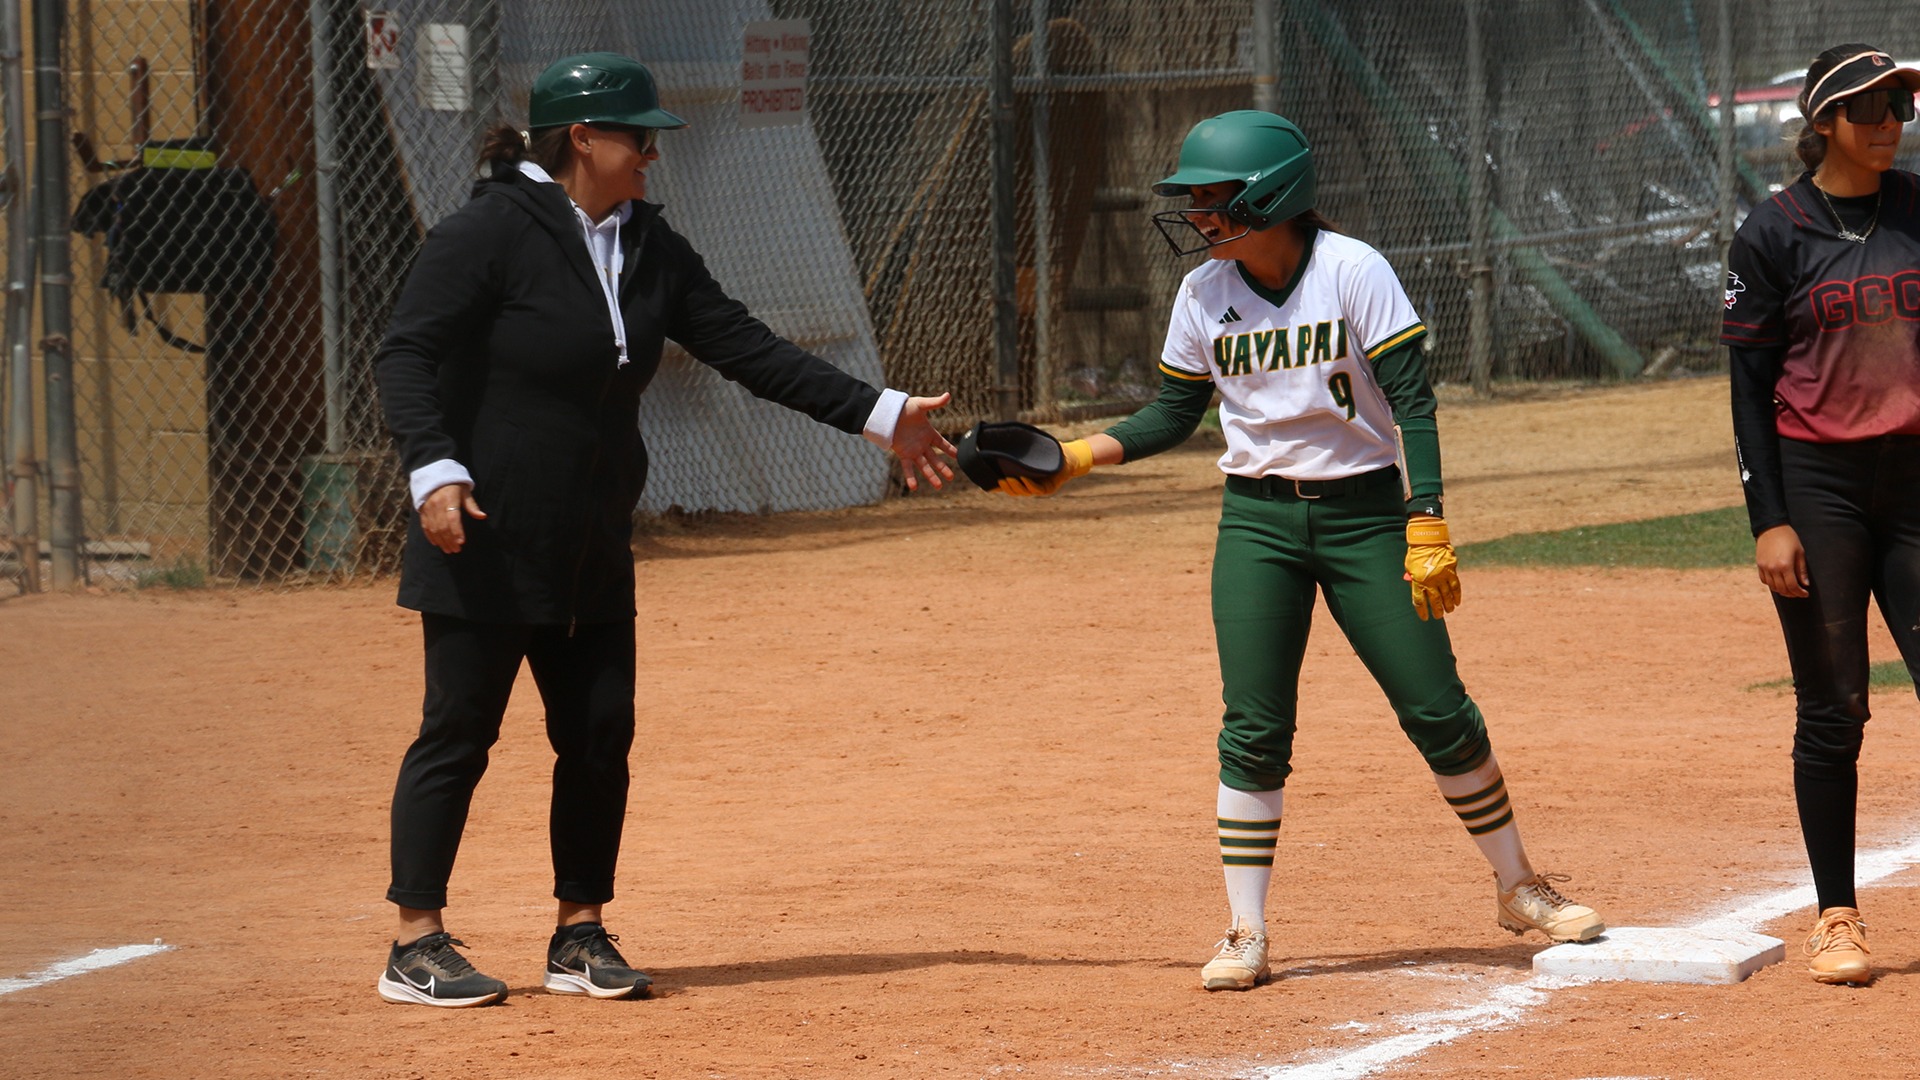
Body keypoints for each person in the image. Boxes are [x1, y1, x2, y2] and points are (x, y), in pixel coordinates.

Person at [372, 51, 955, 1007]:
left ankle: (579, 933)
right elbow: (406, 352)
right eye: (638, 136)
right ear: (582, 138)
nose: (652, 152)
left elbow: (745, 347)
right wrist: (434, 467)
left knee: (599, 734)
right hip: (485, 534)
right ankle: (414, 941)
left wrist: (882, 414)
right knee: (459, 732)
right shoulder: (487, 232)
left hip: (592, 538)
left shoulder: (648, 243)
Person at [994, 110, 1604, 990]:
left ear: (1270, 197)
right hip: (1257, 525)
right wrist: (1077, 458)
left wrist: (1426, 516)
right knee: (1254, 727)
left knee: (1437, 708)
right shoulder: (1204, 292)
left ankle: (1519, 886)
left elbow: (1413, 400)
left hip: (1366, 518)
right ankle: (1245, 931)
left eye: (1213, 196)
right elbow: (1174, 413)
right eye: (1195, 199)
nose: (1198, 213)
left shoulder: (1352, 270)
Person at [1723, 44, 1920, 987]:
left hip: (1917, 482)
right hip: (1819, 486)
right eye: (1871, 110)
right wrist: (1769, 517)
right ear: (1826, 123)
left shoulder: (1917, 208)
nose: (1890, 125)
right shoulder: (1773, 232)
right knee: (1834, 706)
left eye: (1899, 108)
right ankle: (1837, 916)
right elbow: (1748, 385)